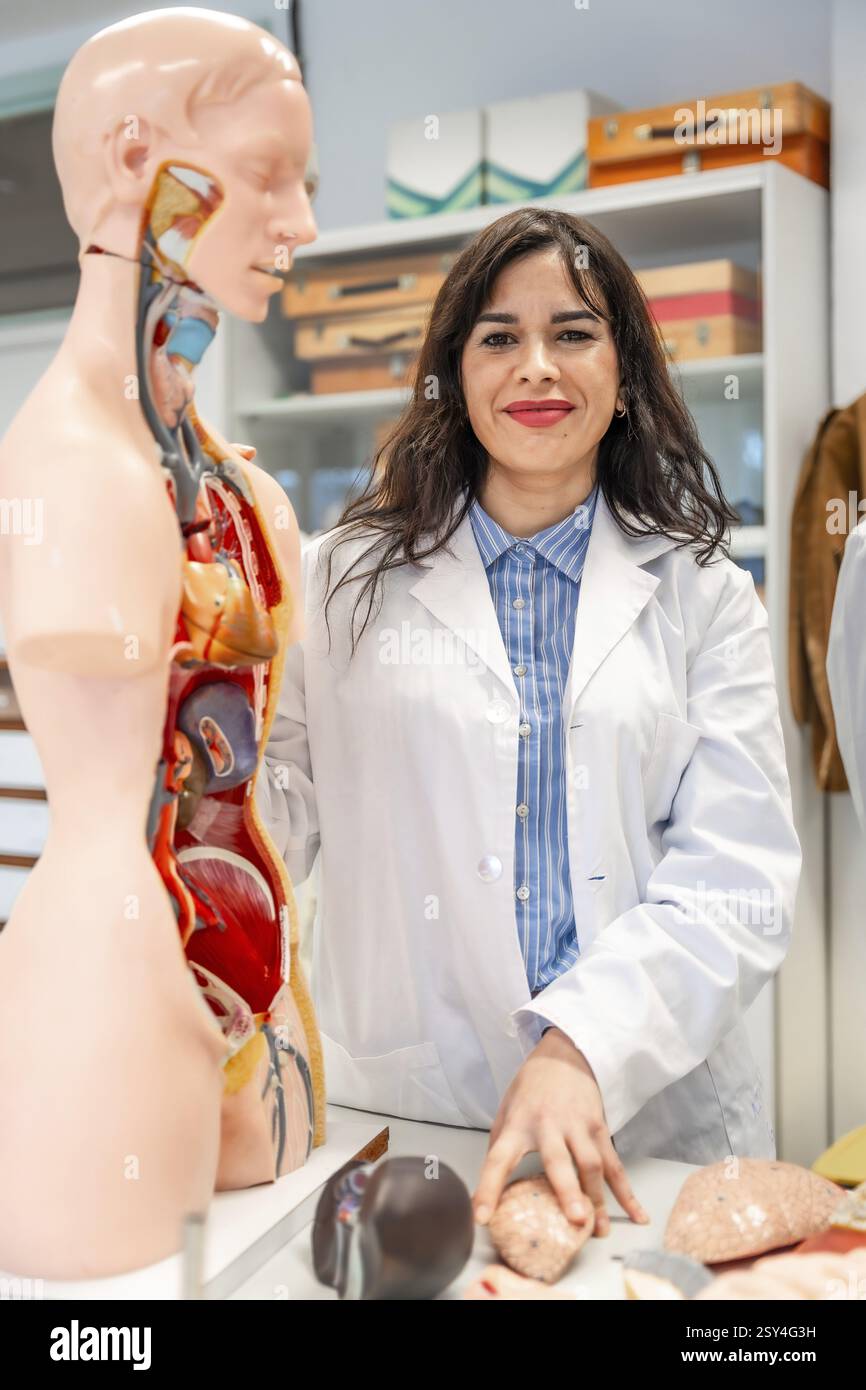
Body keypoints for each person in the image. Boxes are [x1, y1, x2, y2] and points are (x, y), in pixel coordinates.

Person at [256, 206, 802, 1239]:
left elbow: (734, 877)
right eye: (498, 337)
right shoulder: (338, 582)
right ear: (452, 374)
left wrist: (581, 1045)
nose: (534, 368)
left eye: (574, 332)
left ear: (624, 368)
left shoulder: (701, 592)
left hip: (648, 1112)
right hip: (422, 1106)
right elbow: (267, 826)